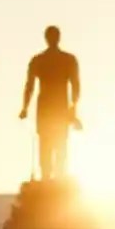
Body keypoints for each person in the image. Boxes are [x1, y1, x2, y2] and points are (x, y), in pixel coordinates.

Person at [20, 26, 82, 180]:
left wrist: (25, 108)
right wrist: (73, 110)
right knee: (53, 144)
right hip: (56, 108)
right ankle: (52, 177)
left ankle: (51, 177)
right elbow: (75, 87)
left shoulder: (41, 60)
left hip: (52, 108)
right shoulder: (65, 59)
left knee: (50, 144)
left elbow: (29, 87)